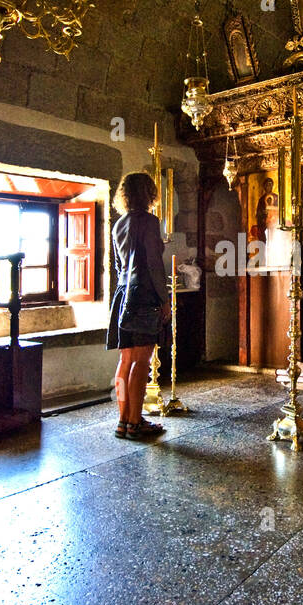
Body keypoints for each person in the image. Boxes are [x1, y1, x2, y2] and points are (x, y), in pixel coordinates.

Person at [106, 171, 171, 439]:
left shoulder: (118, 224)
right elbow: (154, 265)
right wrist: (165, 298)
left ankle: (123, 420)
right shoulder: (149, 222)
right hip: (144, 294)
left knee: (126, 360)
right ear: (149, 193)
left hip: (123, 296)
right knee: (142, 362)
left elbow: (120, 267)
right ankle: (135, 422)